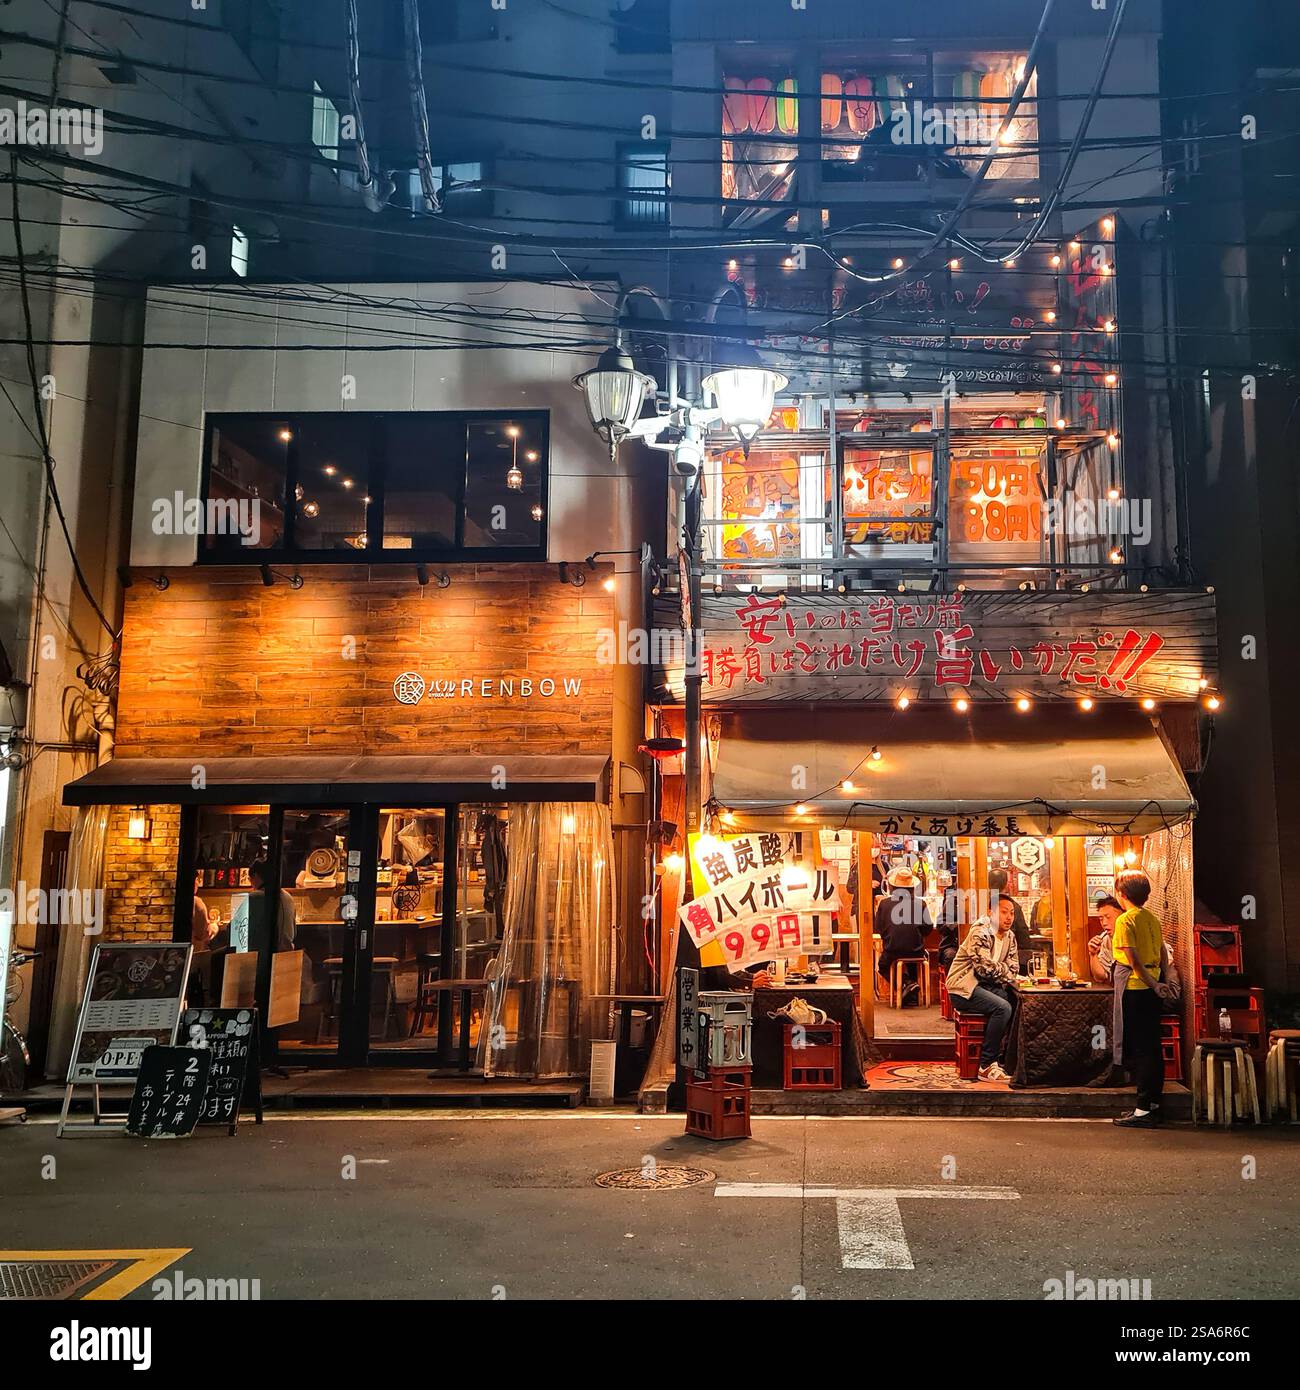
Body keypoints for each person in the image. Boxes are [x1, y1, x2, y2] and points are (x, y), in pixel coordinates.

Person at [1111, 870, 1169, 1128]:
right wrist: (1160, 982)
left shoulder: (1125, 921)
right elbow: (1162, 953)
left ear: (1122, 895)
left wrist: (1153, 985)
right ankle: (1154, 1104)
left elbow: (1133, 961)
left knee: (1142, 1050)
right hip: (1153, 983)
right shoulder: (1151, 918)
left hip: (1137, 988)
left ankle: (1143, 1109)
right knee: (1153, 1048)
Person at [945, 893, 1020, 1081]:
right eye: (1004, 912)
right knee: (1002, 1008)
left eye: (1012, 913)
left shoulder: (1010, 936)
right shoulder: (980, 932)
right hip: (963, 988)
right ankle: (986, 1064)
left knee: (1016, 1001)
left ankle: (1006, 1059)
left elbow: (1015, 967)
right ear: (990, 912)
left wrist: (1001, 970)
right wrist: (1003, 970)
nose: (1009, 917)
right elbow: (984, 968)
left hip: (986, 986)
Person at [874, 864, 933, 1005]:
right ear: (912, 887)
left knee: (882, 966)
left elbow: (878, 928)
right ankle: (911, 988)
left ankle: (907, 984)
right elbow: (928, 929)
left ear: (892, 887)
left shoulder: (884, 904)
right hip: (916, 950)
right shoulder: (921, 904)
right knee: (914, 959)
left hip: (892, 949)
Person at [987, 867, 1031, 975]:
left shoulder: (977, 903)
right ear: (1007, 884)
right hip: (1005, 964)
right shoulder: (1012, 906)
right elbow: (1023, 937)